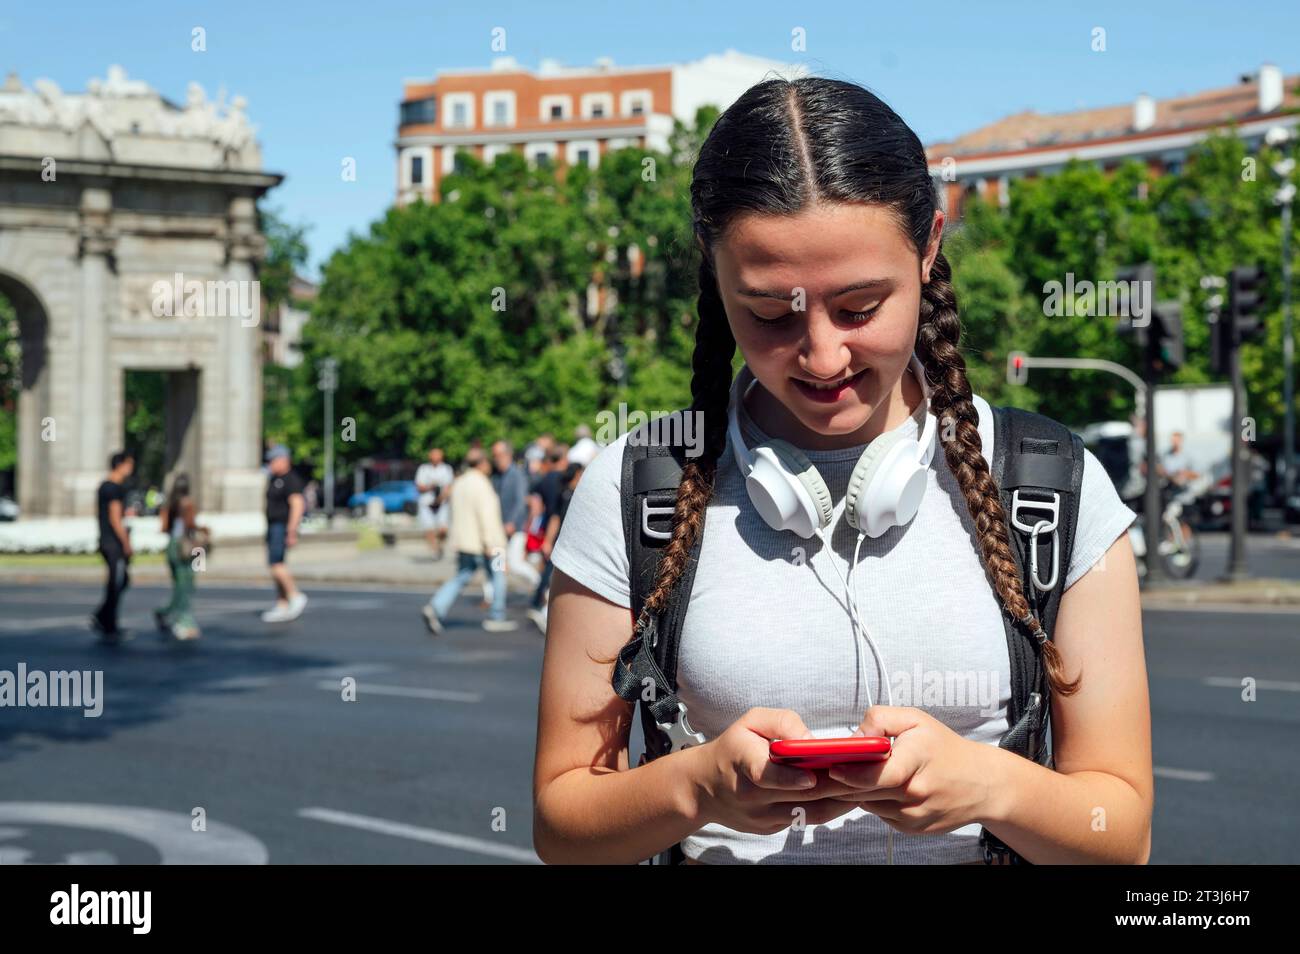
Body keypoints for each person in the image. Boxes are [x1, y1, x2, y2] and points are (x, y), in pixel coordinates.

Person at [532, 77, 1151, 865]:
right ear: (712, 272)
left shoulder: (1052, 485)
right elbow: (561, 823)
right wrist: (698, 788)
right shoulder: (638, 486)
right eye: (769, 313)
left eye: (859, 307)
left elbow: (1122, 835)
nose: (823, 356)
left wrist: (991, 787)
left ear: (928, 247)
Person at [422, 447, 519, 634]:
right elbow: (487, 516)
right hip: (491, 543)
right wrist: (492, 544)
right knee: (498, 576)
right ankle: (497, 615)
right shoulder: (482, 485)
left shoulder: (459, 483)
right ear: (483, 464)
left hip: (465, 542)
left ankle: (435, 607)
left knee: (461, 576)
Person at [526, 460, 584, 634]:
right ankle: (545, 611)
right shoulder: (573, 495)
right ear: (576, 475)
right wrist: (548, 541)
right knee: (559, 578)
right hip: (568, 543)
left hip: (562, 541)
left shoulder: (565, 493)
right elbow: (556, 519)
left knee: (553, 575)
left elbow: (554, 519)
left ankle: (542, 606)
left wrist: (548, 541)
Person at [90, 450, 135, 643]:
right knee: (117, 583)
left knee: (118, 581)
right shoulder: (114, 488)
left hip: (106, 539)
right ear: (121, 465)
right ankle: (107, 620)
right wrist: (126, 543)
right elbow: (115, 518)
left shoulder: (104, 487)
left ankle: (105, 618)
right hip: (113, 543)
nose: (131, 469)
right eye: (130, 464)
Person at [262, 445, 308, 623]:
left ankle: (294, 595)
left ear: (283, 460)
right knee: (275, 564)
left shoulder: (290, 480)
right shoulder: (274, 478)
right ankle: (282, 603)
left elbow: (297, 505)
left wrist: (291, 530)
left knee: (276, 564)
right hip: (273, 524)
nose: (270, 463)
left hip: (281, 526)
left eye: (273, 460)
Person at [154, 473, 201, 640]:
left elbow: (163, 527)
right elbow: (191, 526)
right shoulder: (188, 504)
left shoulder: (169, 504)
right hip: (190, 547)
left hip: (172, 546)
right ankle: (184, 622)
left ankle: (164, 612)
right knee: (187, 585)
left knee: (178, 585)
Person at [492, 440, 541, 589]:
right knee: (497, 565)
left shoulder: (517, 475)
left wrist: (512, 522)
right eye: (494, 455)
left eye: (499, 455)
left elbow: (521, 502)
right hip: (499, 528)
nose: (496, 459)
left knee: (515, 564)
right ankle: (494, 598)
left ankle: (541, 587)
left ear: (507, 455)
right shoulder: (497, 476)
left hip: (515, 528)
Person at [415, 447, 454, 558]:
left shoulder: (446, 469)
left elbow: (449, 486)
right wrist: (430, 487)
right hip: (427, 503)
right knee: (429, 529)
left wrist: (442, 496)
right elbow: (419, 486)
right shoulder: (423, 469)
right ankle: (434, 549)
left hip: (442, 502)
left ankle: (440, 545)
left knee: (443, 529)